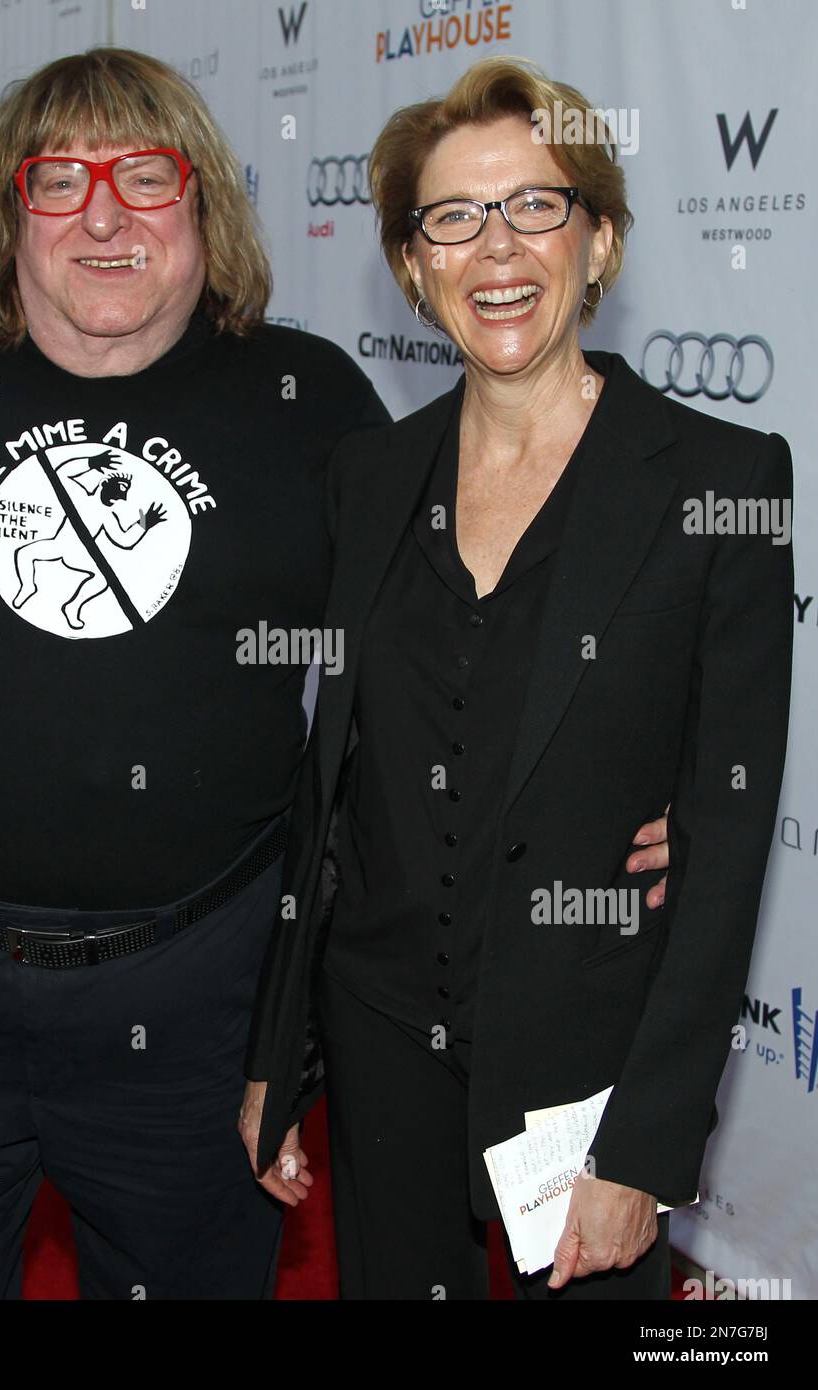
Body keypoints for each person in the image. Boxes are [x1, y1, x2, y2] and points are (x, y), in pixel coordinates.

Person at [0, 46, 398, 1300]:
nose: (103, 213)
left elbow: (408, 678)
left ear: (205, 206)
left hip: (196, 1003)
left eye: (145, 176)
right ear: (11, 211)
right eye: (58, 179)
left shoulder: (310, 400)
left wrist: (591, 805)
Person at [241, 57, 792, 1301]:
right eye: (454, 217)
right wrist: (280, 1051)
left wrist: (648, 1144)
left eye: (537, 206)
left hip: (589, 1059)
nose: (498, 247)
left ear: (598, 241)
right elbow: (326, 783)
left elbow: (728, 842)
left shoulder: (722, 480)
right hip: (381, 1032)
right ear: (414, 264)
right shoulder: (370, 477)